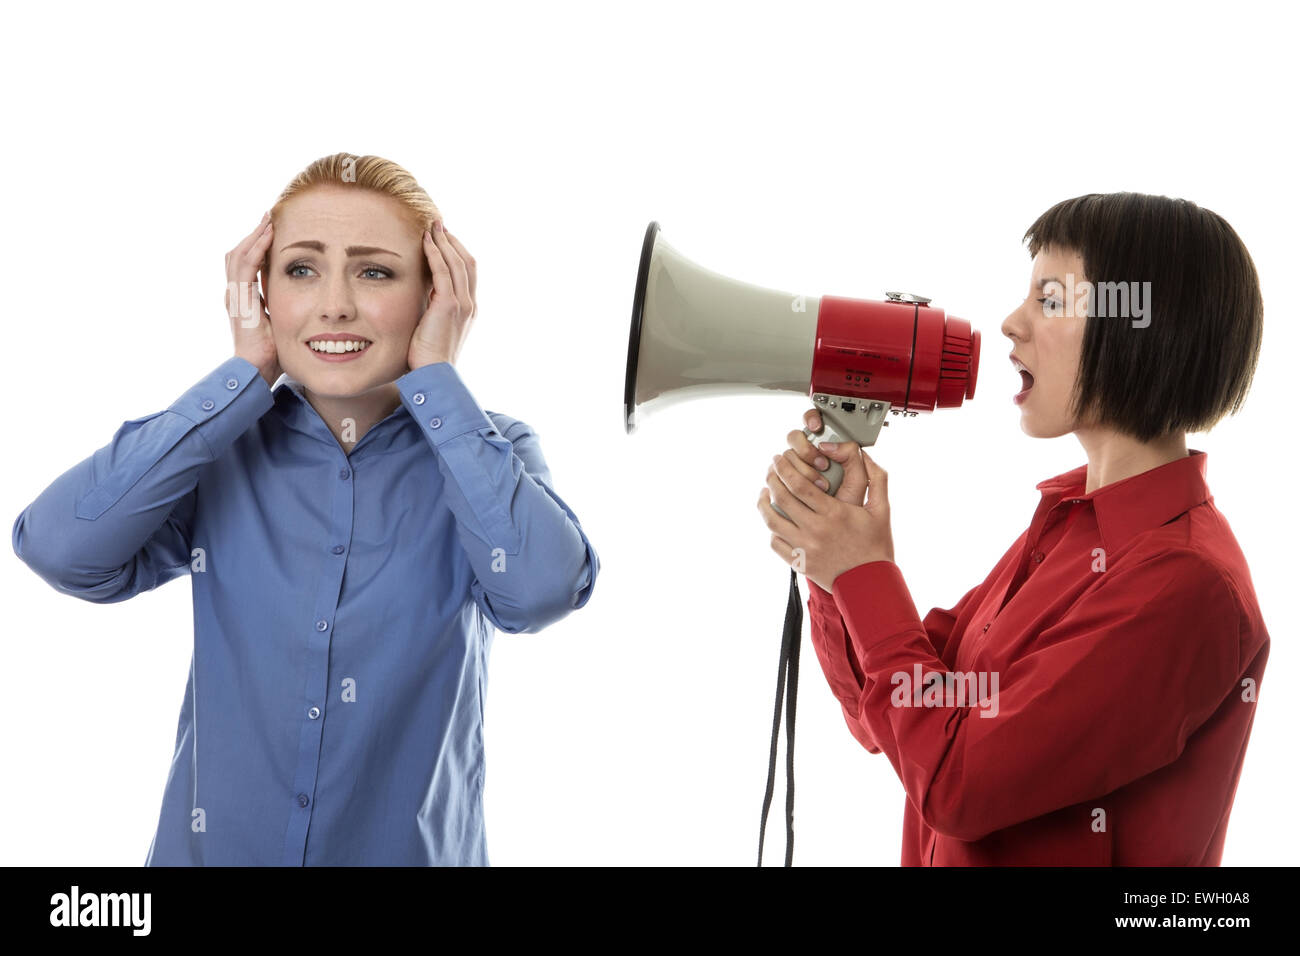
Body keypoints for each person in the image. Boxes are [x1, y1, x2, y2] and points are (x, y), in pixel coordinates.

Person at [12, 152, 600, 866]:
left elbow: (540, 592)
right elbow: (59, 548)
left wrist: (439, 378)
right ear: (259, 291)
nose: (335, 305)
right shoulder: (216, 446)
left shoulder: (490, 451)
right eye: (300, 269)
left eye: (375, 271)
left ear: (434, 294)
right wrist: (245, 373)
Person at [756, 191, 1268, 865]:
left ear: (1144, 325)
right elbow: (892, 714)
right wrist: (834, 561)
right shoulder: (1070, 527)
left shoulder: (1185, 584)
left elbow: (956, 783)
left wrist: (862, 573)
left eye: (1050, 300)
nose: (1009, 323)